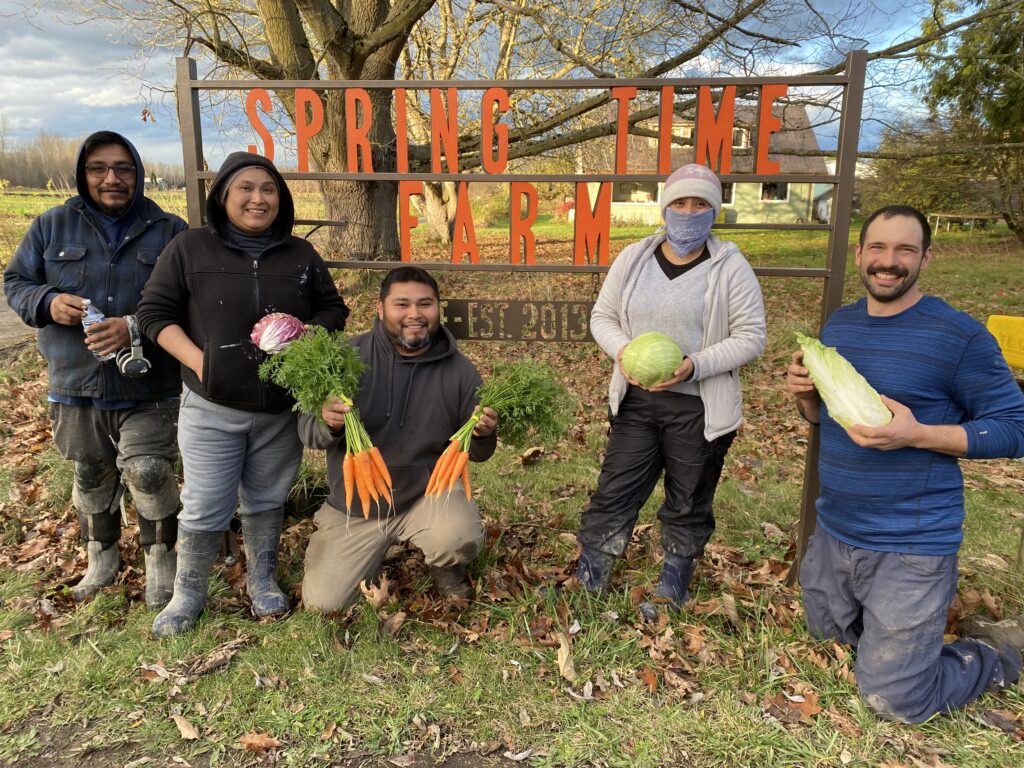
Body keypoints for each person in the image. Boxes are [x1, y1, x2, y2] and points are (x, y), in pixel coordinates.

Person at [786, 205, 1024, 723]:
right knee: (826, 641)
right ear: (860, 254)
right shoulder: (841, 324)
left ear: (926, 257)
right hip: (835, 531)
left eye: (904, 250)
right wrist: (805, 396)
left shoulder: (957, 336)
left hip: (910, 544)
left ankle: (998, 652)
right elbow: (827, 418)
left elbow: (1015, 427)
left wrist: (917, 433)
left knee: (896, 700)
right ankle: (898, 634)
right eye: (878, 248)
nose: (888, 262)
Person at [137, 151, 349, 636]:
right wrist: (201, 362)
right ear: (224, 196)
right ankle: (187, 594)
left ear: (281, 197)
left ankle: (263, 579)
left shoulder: (300, 255)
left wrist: (306, 334)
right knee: (206, 501)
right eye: (246, 189)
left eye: (269, 189)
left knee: (266, 497)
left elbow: (333, 310)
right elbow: (154, 315)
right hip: (211, 405)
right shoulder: (190, 249)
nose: (258, 198)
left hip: (279, 409)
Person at [574, 163, 766, 621]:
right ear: (664, 206)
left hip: (699, 405)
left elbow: (751, 336)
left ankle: (673, 583)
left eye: (700, 204)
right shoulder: (635, 258)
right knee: (615, 489)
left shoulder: (730, 266)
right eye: (680, 202)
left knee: (688, 496)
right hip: (638, 399)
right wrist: (624, 354)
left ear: (714, 211)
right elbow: (602, 317)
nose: (688, 212)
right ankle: (591, 575)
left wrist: (695, 365)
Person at [4, 131, 186, 609]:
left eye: (123, 168)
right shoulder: (50, 226)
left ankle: (161, 559)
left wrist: (133, 326)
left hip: (150, 382)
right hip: (75, 382)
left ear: (139, 172)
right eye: (99, 168)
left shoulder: (170, 230)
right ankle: (100, 558)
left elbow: (191, 302)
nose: (112, 178)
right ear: (84, 173)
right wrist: (46, 301)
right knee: (89, 473)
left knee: (148, 471)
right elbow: (16, 282)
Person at [300, 266, 498, 612]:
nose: (414, 315)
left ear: (438, 308)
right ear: (381, 309)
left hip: (426, 497)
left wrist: (484, 433)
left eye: (425, 304)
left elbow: (480, 453)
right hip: (356, 505)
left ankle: (445, 565)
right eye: (401, 304)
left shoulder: (460, 371)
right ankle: (366, 556)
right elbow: (308, 432)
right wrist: (328, 424)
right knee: (323, 605)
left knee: (458, 537)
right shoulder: (345, 357)